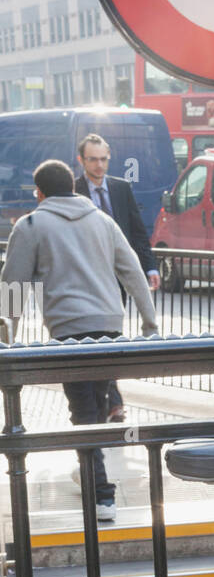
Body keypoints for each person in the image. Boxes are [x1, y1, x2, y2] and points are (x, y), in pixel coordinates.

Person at [1, 160, 158, 523]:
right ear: (73, 187)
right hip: (110, 328)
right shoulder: (103, 221)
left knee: (83, 412)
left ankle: (101, 492)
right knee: (97, 404)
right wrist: (150, 326)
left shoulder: (32, 224)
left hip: (68, 333)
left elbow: (12, 288)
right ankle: (91, 471)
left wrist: (7, 339)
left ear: (39, 193)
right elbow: (132, 270)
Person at [75, 133, 160, 423]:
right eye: (93, 160)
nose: (99, 165)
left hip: (117, 278)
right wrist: (9, 324)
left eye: (103, 159)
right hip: (85, 283)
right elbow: (15, 279)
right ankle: (108, 404)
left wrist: (150, 267)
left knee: (109, 336)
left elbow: (137, 232)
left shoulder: (121, 189)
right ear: (81, 161)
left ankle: (108, 403)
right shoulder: (71, 193)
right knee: (97, 340)